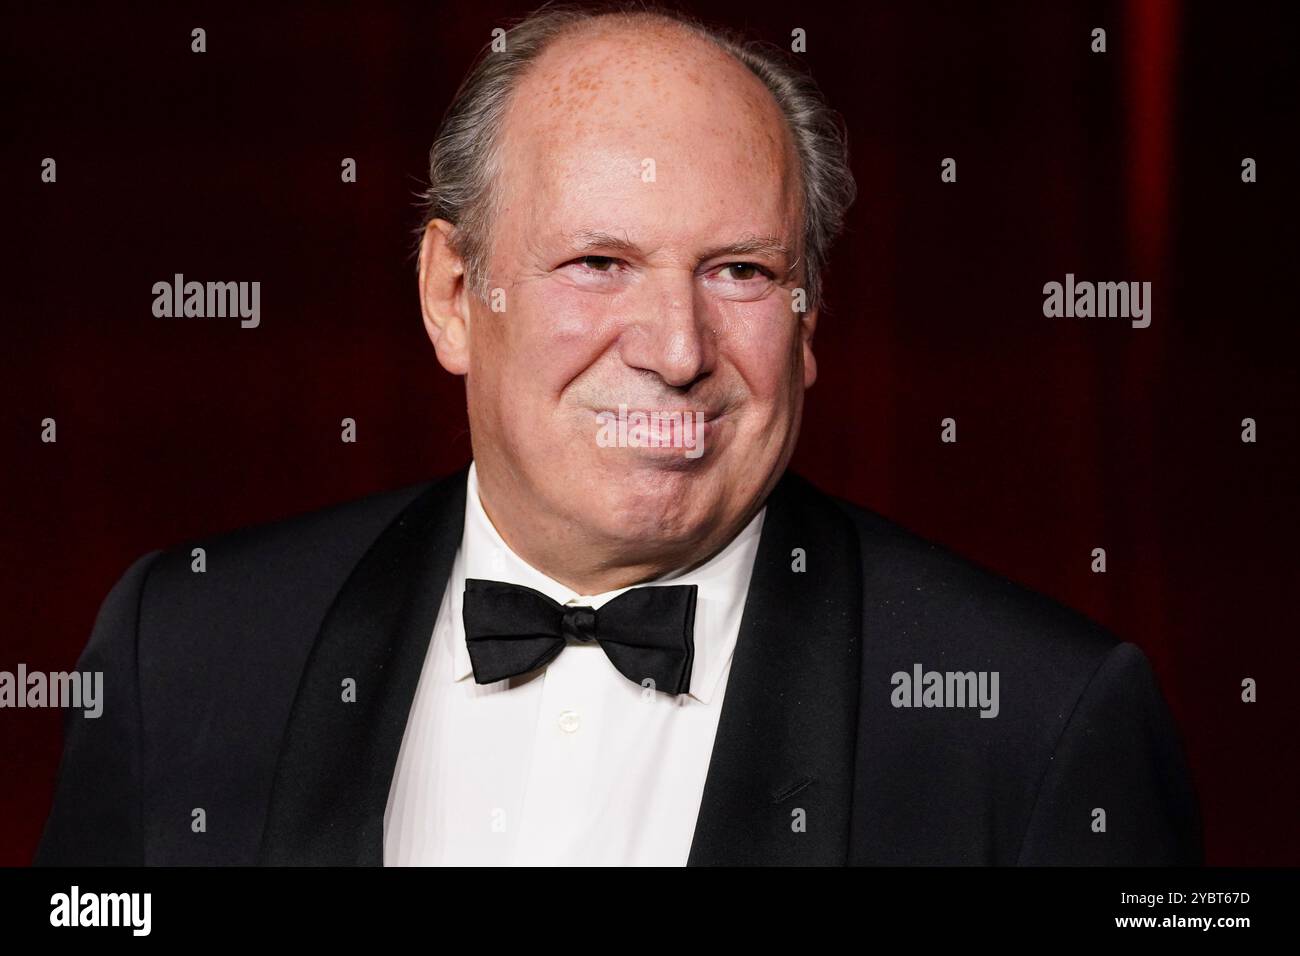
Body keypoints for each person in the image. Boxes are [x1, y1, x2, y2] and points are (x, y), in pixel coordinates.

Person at [37, 3, 1201, 866]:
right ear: (453, 291)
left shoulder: (1040, 717)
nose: (676, 347)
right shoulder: (180, 644)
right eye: (599, 262)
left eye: (740, 270)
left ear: (807, 322)